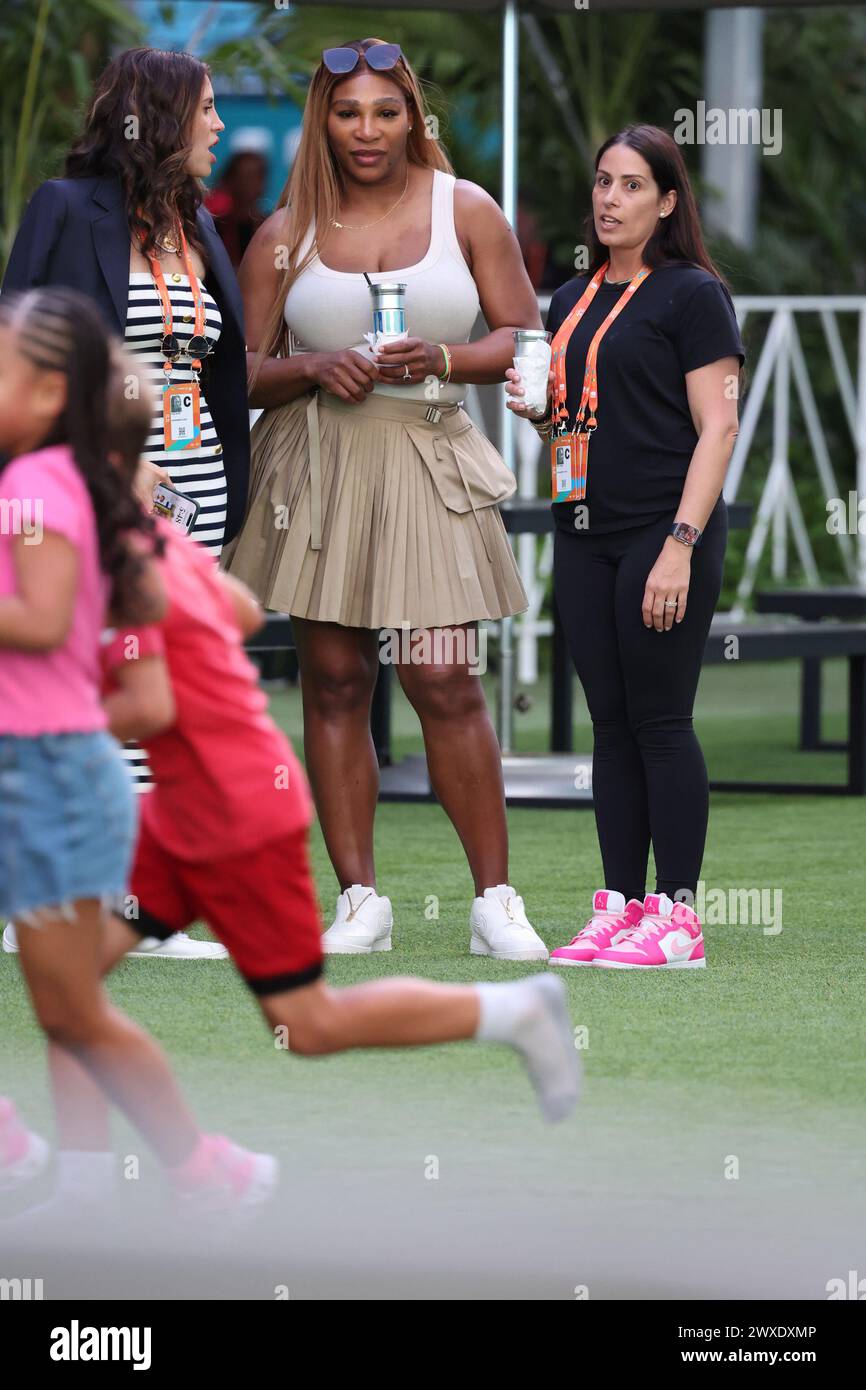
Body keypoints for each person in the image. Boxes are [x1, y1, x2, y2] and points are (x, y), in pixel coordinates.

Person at [22, 340, 579, 1184]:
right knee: (65, 994)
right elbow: (240, 611)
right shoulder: (138, 539)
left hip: (236, 813)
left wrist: (62, 701)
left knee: (305, 1022)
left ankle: (510, 1012)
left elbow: (149, 703)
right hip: (180, 812)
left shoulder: (127, 558)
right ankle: (109, 1186)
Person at [223, 37, 548, 960]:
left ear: (414, 115)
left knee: (444, 680)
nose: (367, 131)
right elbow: (237, 374)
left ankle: (496, 903)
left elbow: (524, 340)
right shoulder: (282, 233)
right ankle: (360, 898)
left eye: (385, 111)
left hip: (430, 465)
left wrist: (441, 356)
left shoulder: (466, 209)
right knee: (334, 683)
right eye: (346, 112)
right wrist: (314, 365)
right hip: (318, 470)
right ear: (322, 122)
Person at [0, 288, 272, 1215]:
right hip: (44, 769)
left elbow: (37, 619)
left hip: (46, 776)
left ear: (45, 394)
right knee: (67, 1004)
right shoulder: (70, 484)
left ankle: (203, 1171)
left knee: (72, 1006)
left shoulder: (32, 487)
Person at [1, 45, 250, 956]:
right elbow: (19, 351)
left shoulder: (200, 225)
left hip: (201, 495)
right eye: (209, 109)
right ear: (159, 115)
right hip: (97, 495)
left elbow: (218, 369)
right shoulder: (67, 211)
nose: (220, 126)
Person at [506, 124, 745, 971]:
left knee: (660, 721)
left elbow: (719, 427)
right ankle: (621, 904)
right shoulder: (569, 298)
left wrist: (679, 544)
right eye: (604, 182)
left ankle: (678, 917)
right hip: (583, 533)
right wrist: (539, 417)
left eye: (633, 185)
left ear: (668, 202)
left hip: (662, 531)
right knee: (610, 725)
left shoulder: (693, 296)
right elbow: (574, 425)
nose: (611, 199)